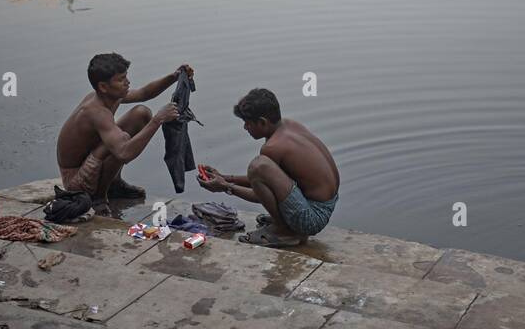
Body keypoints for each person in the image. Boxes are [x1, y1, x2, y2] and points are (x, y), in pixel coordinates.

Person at [199, 87, 339, 248]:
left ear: (262, 122)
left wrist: (225, 187)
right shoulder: (290, 126)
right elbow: (273, 181)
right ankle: (286, 224)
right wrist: (225, 177)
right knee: (260, 168)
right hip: (324, 206)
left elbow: (259, 194)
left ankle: (285, 232)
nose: (245, 128)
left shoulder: (272, 148)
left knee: (257, 165)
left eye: (247, 123)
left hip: (311, 218)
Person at [56, 53, 194, 211]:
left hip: (91, 159)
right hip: (76, 181)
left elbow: (144, 93)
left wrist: (173, 77)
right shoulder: (96, 112)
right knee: (120, 141)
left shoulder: (109, 96)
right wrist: (158, 119)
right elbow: (124, 153)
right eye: (121, 79)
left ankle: (114, 184)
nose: (127, 82)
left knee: (141, 114)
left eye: (126, 77)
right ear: (103, 87)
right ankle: (98, 198)